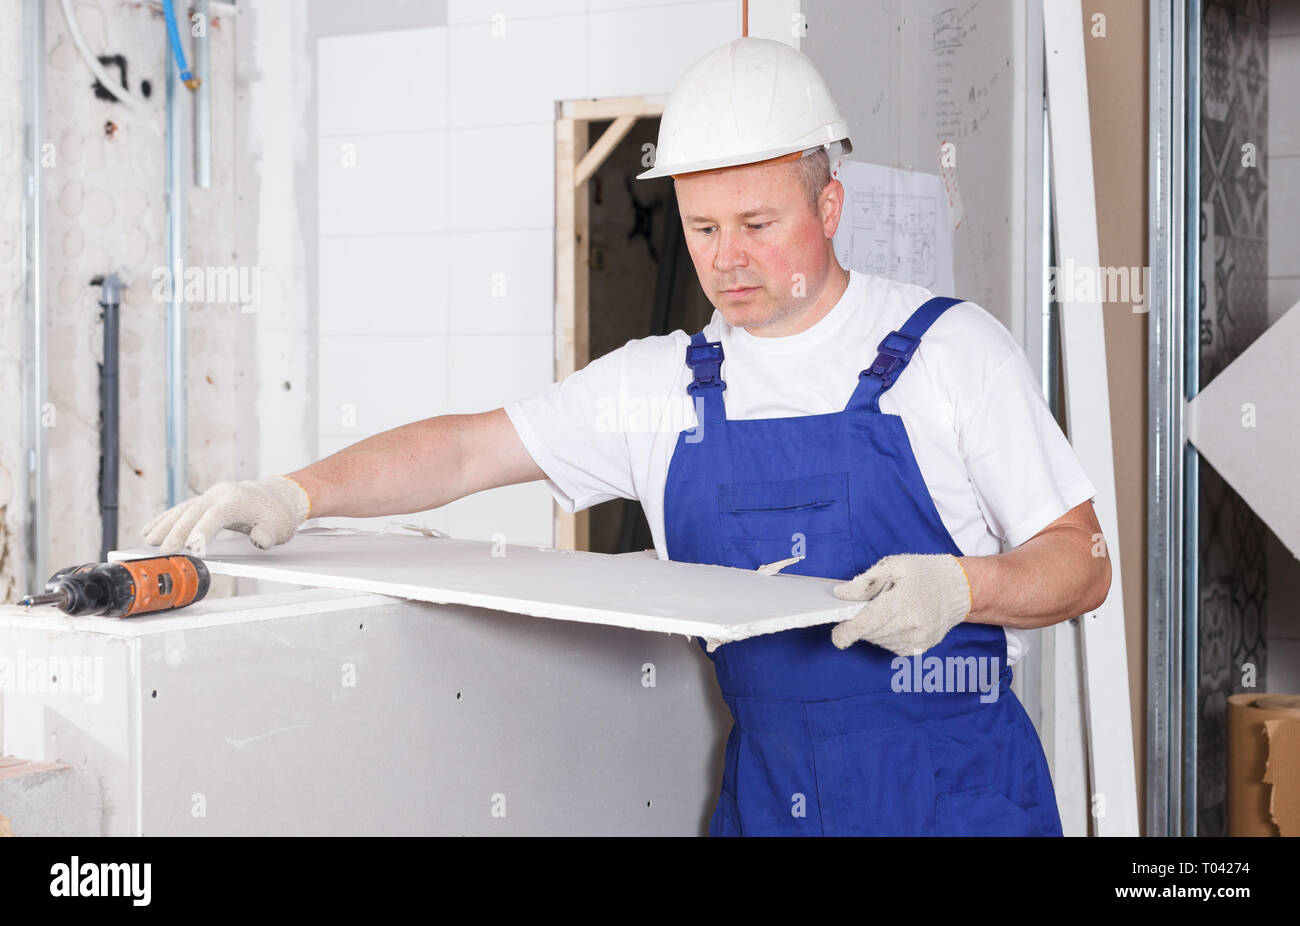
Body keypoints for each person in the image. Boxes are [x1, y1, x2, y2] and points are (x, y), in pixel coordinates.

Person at [143, 37, 1110, 836]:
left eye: (759, 223)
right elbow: (468, 449)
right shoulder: (664, 385)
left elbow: (1084, 562)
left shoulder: (952, 353)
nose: (726, 259)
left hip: (954, 796)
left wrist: (962, 588)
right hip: (772, 801)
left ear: (829, 206)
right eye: (700, 226)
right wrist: (296, 494)